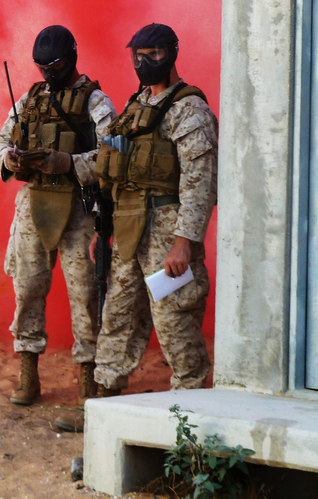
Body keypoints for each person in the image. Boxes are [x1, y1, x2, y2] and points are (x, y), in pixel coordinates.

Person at [88, 22, 218, 400]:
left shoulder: (189, 110)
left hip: (166, 229)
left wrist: (184, 244)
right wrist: (103, 232)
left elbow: (200, 182)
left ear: (172, 54)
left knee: (174, 318)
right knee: (118, 315)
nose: (145, 63)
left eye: (154, 55)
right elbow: (114, 172)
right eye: (137, 56)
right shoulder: (135, 107)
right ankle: (104, 404)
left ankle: (190, 411)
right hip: (128, 228)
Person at [0, 26, 117, 411]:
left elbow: (115, 156)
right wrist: (11, 160)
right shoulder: (29, 100)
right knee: (27, 289)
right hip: (33, 203)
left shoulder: (96, 102)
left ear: (72, 58)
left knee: (85, 292)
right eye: (42, 66)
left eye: (56, 65)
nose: (49, 72)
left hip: (79, 206)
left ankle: (87, 377)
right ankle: (28, 371)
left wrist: (70, 162)